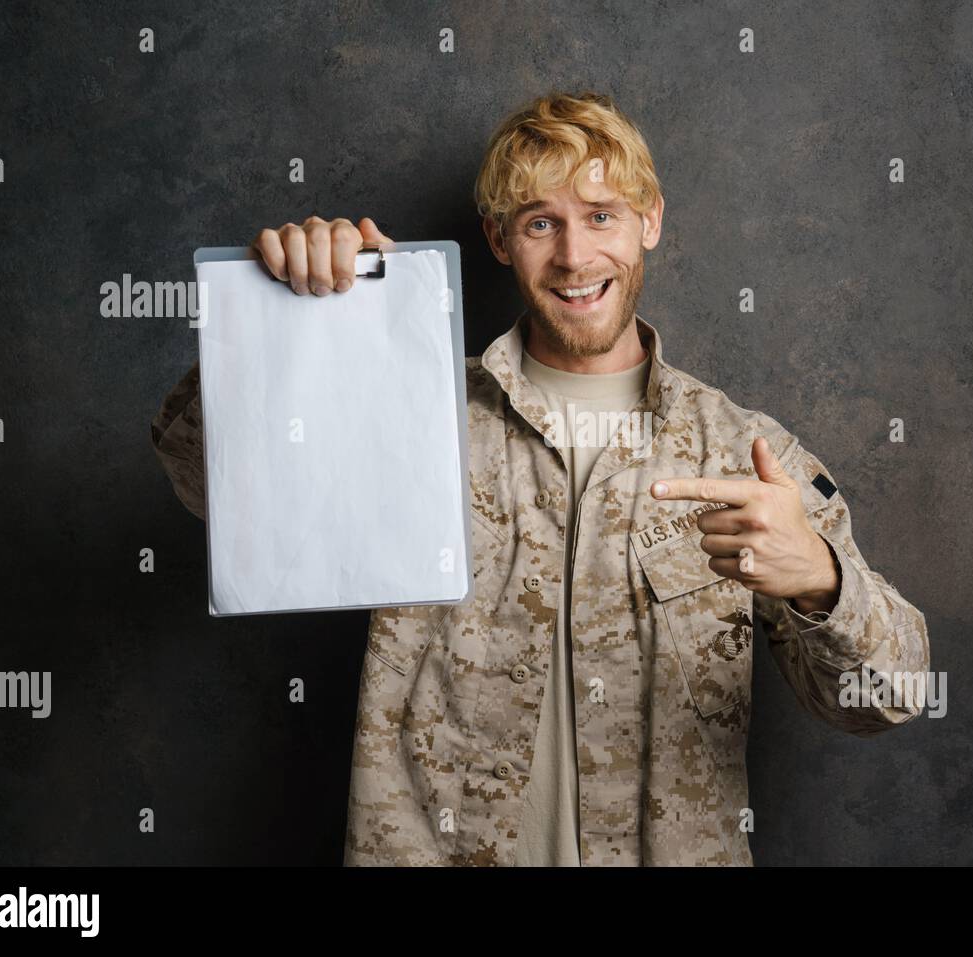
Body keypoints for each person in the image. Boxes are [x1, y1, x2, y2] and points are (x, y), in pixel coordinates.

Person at [151, 91, 930, 867]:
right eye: (539, 223)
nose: (574, 256)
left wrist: (820, 581)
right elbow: (203, 479)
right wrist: (284, 320)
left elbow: (891, 696)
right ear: (498, 238)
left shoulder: (741, 452)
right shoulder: (405, 407)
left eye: (601, 215)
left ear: (649, 220)